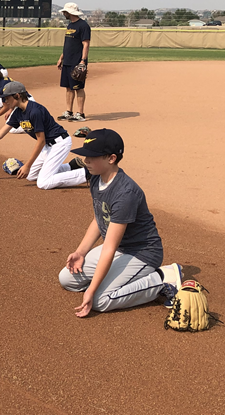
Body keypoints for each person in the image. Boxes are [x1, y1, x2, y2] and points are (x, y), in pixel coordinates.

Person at [58, 129, 184, 317]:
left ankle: (163, 279)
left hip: (142, 253)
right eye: (86, 155)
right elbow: (99, 218)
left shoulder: (125, 193)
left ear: (111, 158)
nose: (86, 160)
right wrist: (80, 252)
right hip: (119, 248)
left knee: (100, 300)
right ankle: (121, 281)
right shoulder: (96, 178)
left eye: (92, 156)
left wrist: (91, 290)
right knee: (67, 279)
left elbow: (109, 248)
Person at [0, 81, 87, 190]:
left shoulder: (34, 111)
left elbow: (41, 141)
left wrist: (27, 165)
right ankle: (71, 166)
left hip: (59, 143)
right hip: (48, 145)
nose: (5, 101)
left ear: (17, 95)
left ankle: (87, 173)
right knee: (31, 175)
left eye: (7, 98)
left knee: (43, 183)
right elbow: (0, 133)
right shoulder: (18, 113)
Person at [56, 2, 91, 122]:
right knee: (68, 87)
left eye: (65, 12)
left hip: (77, 62)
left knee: (78, 88)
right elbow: (68, 45)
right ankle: (69, 112)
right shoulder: (70, 25)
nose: (63, 14)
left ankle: (80, 113)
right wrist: (61, 58)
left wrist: (83, 61)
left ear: (69, 12)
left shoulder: (83, 26)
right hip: (67, 61)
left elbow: (86, 44)